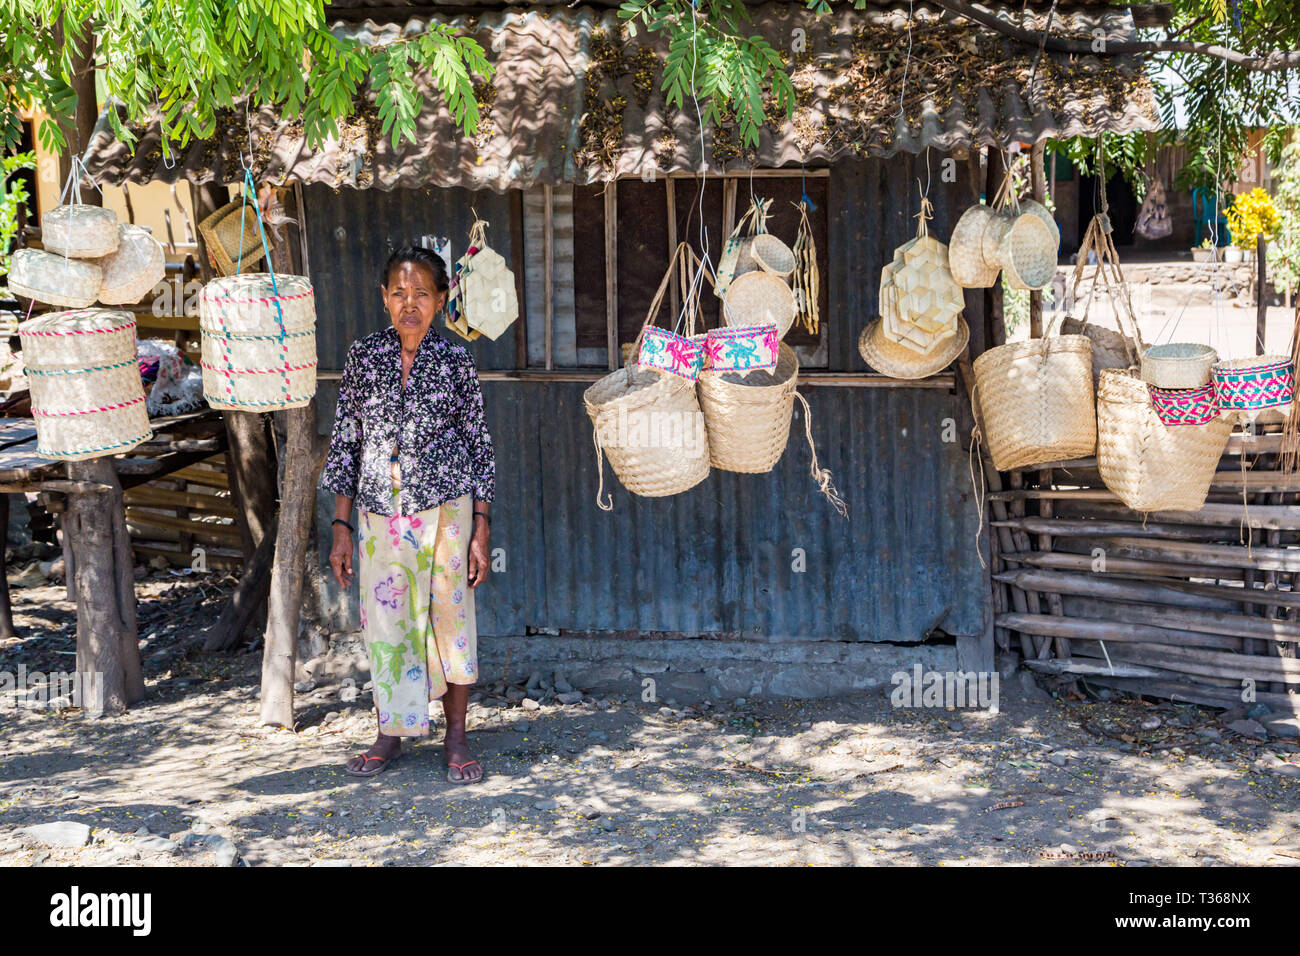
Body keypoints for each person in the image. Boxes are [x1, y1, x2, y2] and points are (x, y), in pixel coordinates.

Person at [320, 243, 495, 784]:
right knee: (388, 626)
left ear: (440, 300)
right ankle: (390, 734)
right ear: (384, 298)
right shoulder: (363, 358)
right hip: (378, 517)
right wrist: (341, 527)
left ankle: (457, 738)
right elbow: (347, 443)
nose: (409, 303)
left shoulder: (455, 361)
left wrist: (481, 529)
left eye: (421, 293)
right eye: (399, 293)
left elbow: (479, 445)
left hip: (447, 512)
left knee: (451, 622)